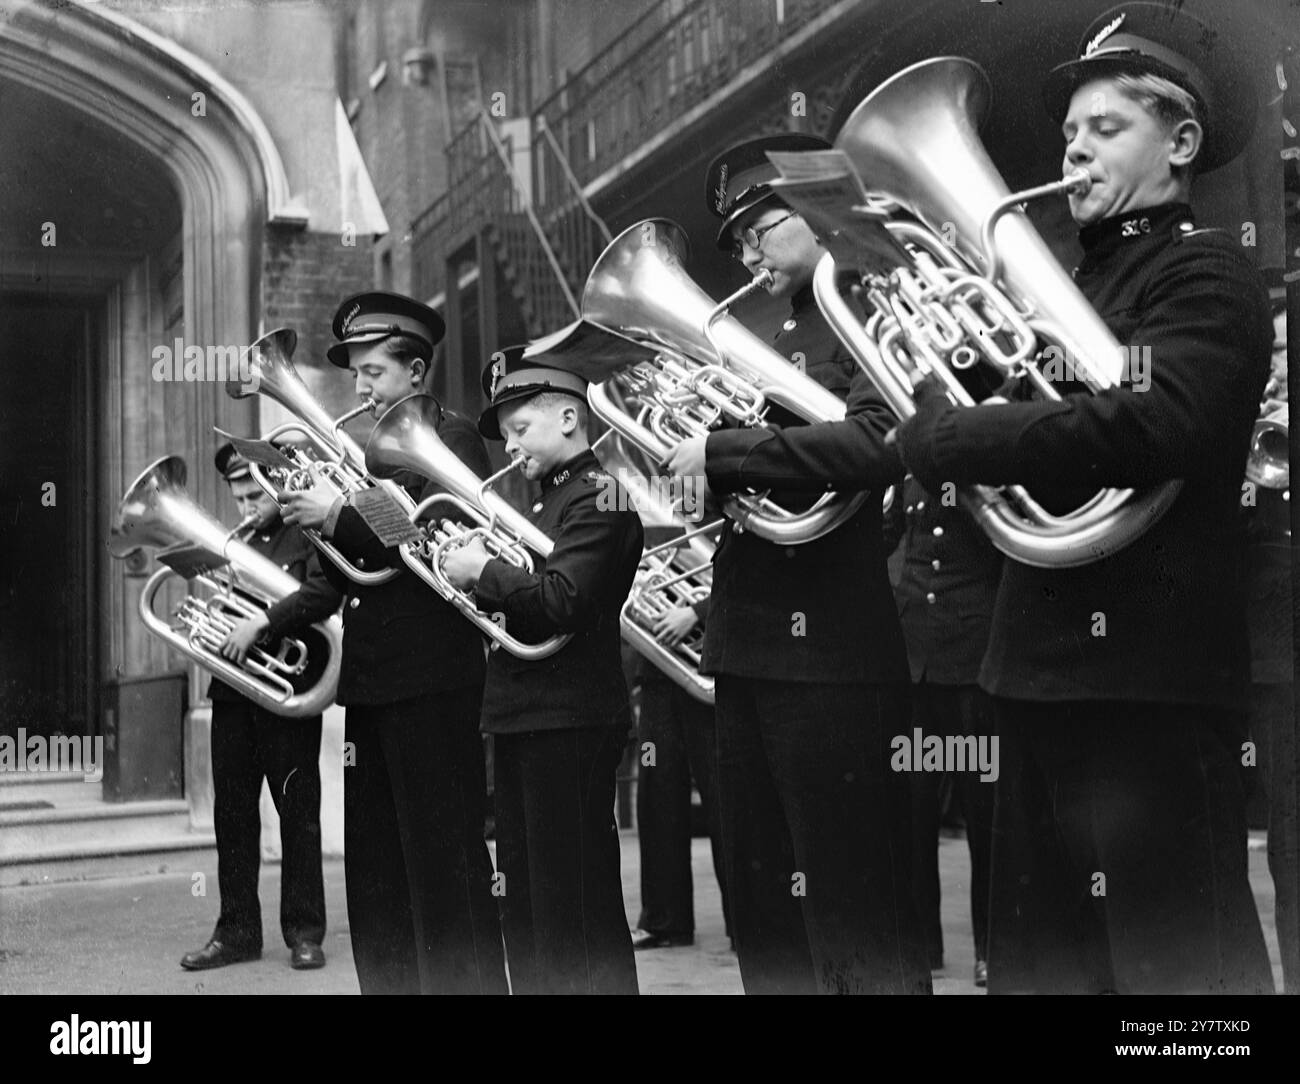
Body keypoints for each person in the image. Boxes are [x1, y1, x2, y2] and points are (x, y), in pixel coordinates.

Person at [896, 2, 1273, 993]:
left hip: (1150, 679)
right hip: (1037, 672)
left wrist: (955, 434)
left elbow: (1155, 425)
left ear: (1179, 142)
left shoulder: (1203, 274)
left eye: (1104, 131)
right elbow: (1040, 425)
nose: (1073, 156)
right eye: (1068, 136)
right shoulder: (1065, 287)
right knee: (1046, 968)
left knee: (1176, 980)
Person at [663, 134, 930, 994]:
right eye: (735, 242)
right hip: (745, 647)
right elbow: (736, 483)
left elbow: (873, 445)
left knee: (851, 893)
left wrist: (727, 448)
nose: (746, 255)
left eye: (759, 229)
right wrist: (693, 465)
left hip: (834, 655)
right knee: (760, 891)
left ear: (813, 212)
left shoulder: (872, 308)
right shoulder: (754, 329)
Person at [281, 291, 507, 995]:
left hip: (436, 680)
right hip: (373, 683)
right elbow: (346, 564)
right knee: (375, 869)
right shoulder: (364, 450)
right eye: (356, 373)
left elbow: (426, 534)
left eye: (374, 371)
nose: (362, 387)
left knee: (445, 863)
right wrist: (322, 511)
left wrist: (339, 510)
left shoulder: (454, 435)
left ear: (415, 371)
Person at [442, 347, 643, 995]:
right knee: (527, 908)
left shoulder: (601, 494)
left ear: (566, 416)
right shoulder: (542, 504)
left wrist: (483, 573)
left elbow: (564, 602)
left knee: (572, 908)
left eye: (520, 431)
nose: (510, 450)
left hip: (571, 718)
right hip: (526, 716)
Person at [180, 442, 341, 972]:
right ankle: (237, 932)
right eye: (239, 496)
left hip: (288, 692)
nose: (248, 507)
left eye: (256, 494)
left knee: (298, 815)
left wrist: (264, 623)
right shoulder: (234, 540)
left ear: (277, 484)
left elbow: (323, 593)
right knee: (232, 817)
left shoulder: (309, 533)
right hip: (233, 693)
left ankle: (304, 932)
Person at [882, 474, 1001, 987]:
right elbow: (886, 539)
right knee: (912, 812)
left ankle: (991, 949)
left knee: (984, 817)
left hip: (971, 659)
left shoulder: (981, 463)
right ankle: (921, 944)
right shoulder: (905, 473)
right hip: (917, 662)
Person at [629, 568, 730, 951]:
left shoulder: (730, 507)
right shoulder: (643, 509)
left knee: (727, 797)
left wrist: (697, 611)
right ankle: (664, 921)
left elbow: (747, 572)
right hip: (659, 669)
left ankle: (748, 922)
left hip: (714, 667)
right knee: (658, 796)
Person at [1244, 294, 1296, 991]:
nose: (1281, 371)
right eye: (1274, 355)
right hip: (1223, 654)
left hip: (1288, 670)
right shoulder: (1237, 424)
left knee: (1293, 848)